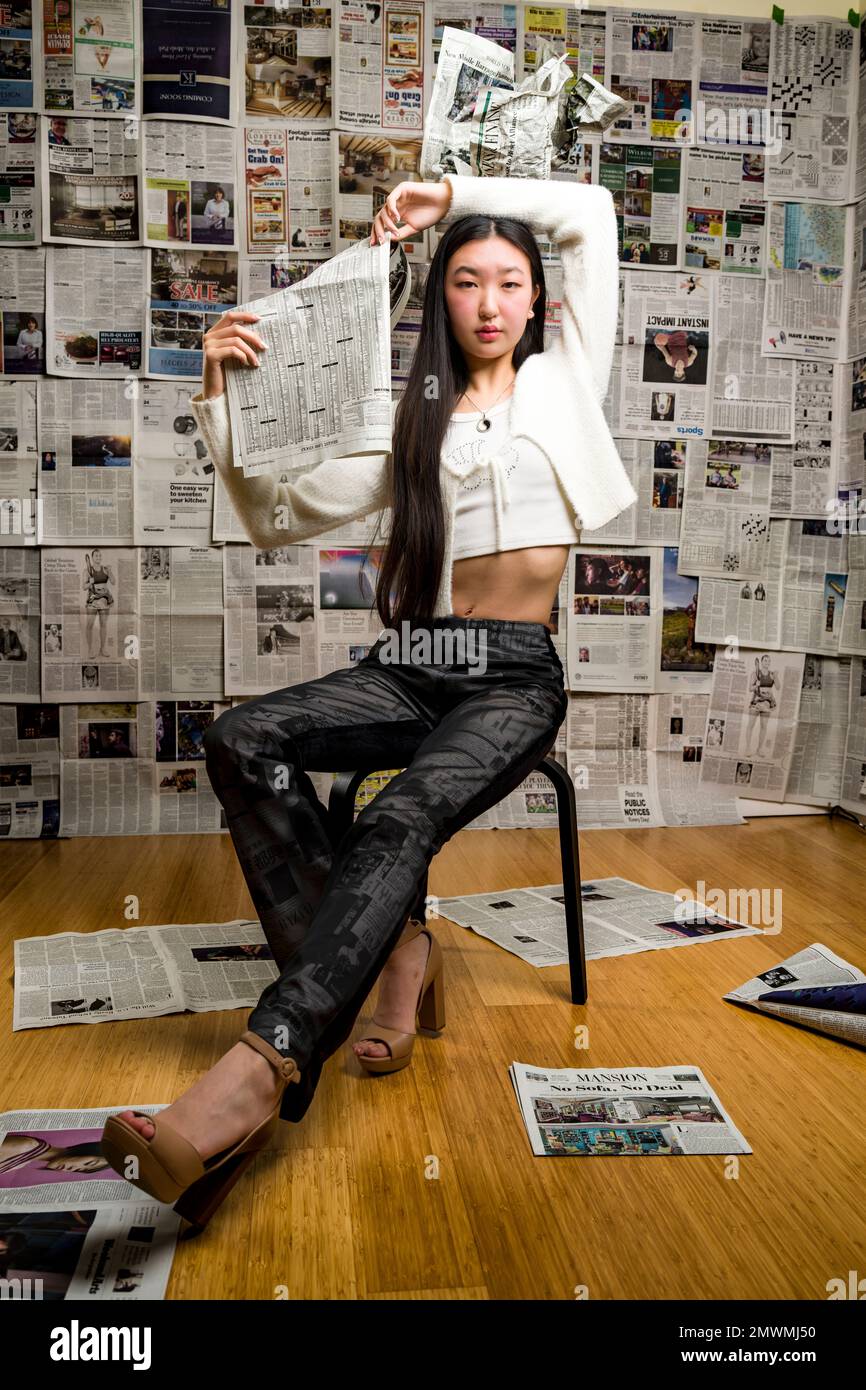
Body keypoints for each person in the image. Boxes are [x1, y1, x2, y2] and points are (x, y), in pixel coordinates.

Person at [99, 173, 635, 1226]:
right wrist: (217, 394)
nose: (488, 302)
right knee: (244, 738)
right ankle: (392, 948)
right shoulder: (415, 423)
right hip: (415, 656)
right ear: (440, 303)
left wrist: (449, 196)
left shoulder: (569, 380)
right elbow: (272, 514)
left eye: (509, 283)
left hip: (514, 672)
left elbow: (592, 215)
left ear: (537, 301)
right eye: (467, 283)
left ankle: (261, 1067)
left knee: (397, 811)